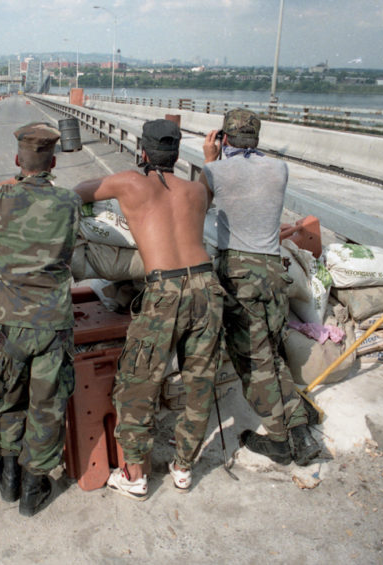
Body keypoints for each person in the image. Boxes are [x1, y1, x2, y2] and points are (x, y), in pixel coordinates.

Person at [73, 119, 224, 500]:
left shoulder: (129, 183)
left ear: (142, 151)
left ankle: (135, 475)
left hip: (165, 289)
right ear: (176, 155)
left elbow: (79, 193)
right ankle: (184, 467)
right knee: (199, 381)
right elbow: (208, 184)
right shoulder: (196, 191)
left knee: (137, 384)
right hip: (206, 286)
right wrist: (210, 159)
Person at [0, 122, 81, 517]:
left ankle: (7, 476)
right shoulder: (69, 202)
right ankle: (32, 487)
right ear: (53, 162)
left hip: (8, 324)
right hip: (51, 324)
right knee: (46, 406)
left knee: (11, 398)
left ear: (16, 160)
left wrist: (13, 180)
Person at [198, 109, 320, 467]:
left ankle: (281, 442)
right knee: (267, 351)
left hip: (240, 274)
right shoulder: (278, 169)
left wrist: (209, 160)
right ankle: (298, 426)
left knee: (251, 360)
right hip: (272, 272)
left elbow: (200, 206)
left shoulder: (215, 171)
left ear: (224, 138)